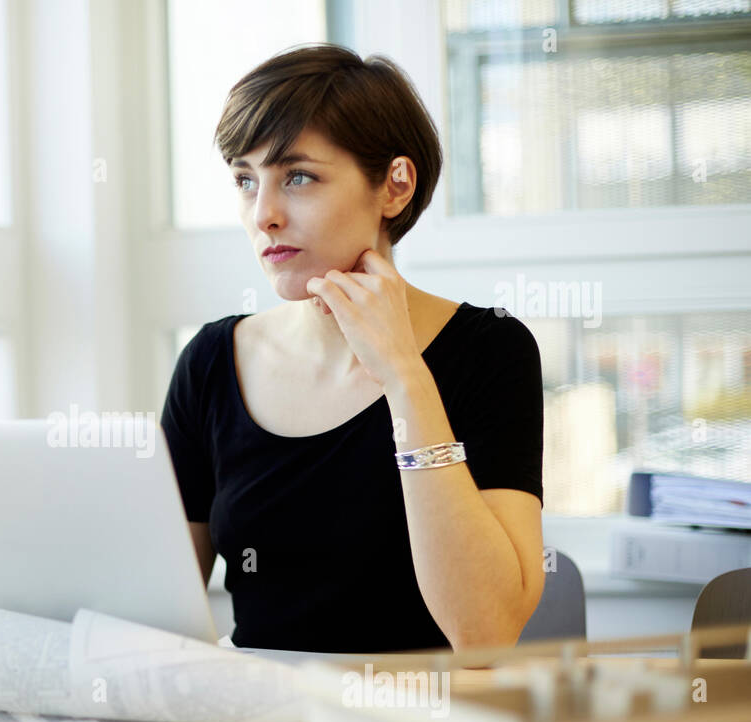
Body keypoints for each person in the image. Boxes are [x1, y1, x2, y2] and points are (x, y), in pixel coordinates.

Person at [162, 43, 545, 653]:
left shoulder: (490, 350)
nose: (264, 215)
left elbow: (486, 630)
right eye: (244, 180)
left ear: (394, 188)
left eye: (299, 177)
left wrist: (404, 375)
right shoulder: (210, 361)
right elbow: (156, 613)